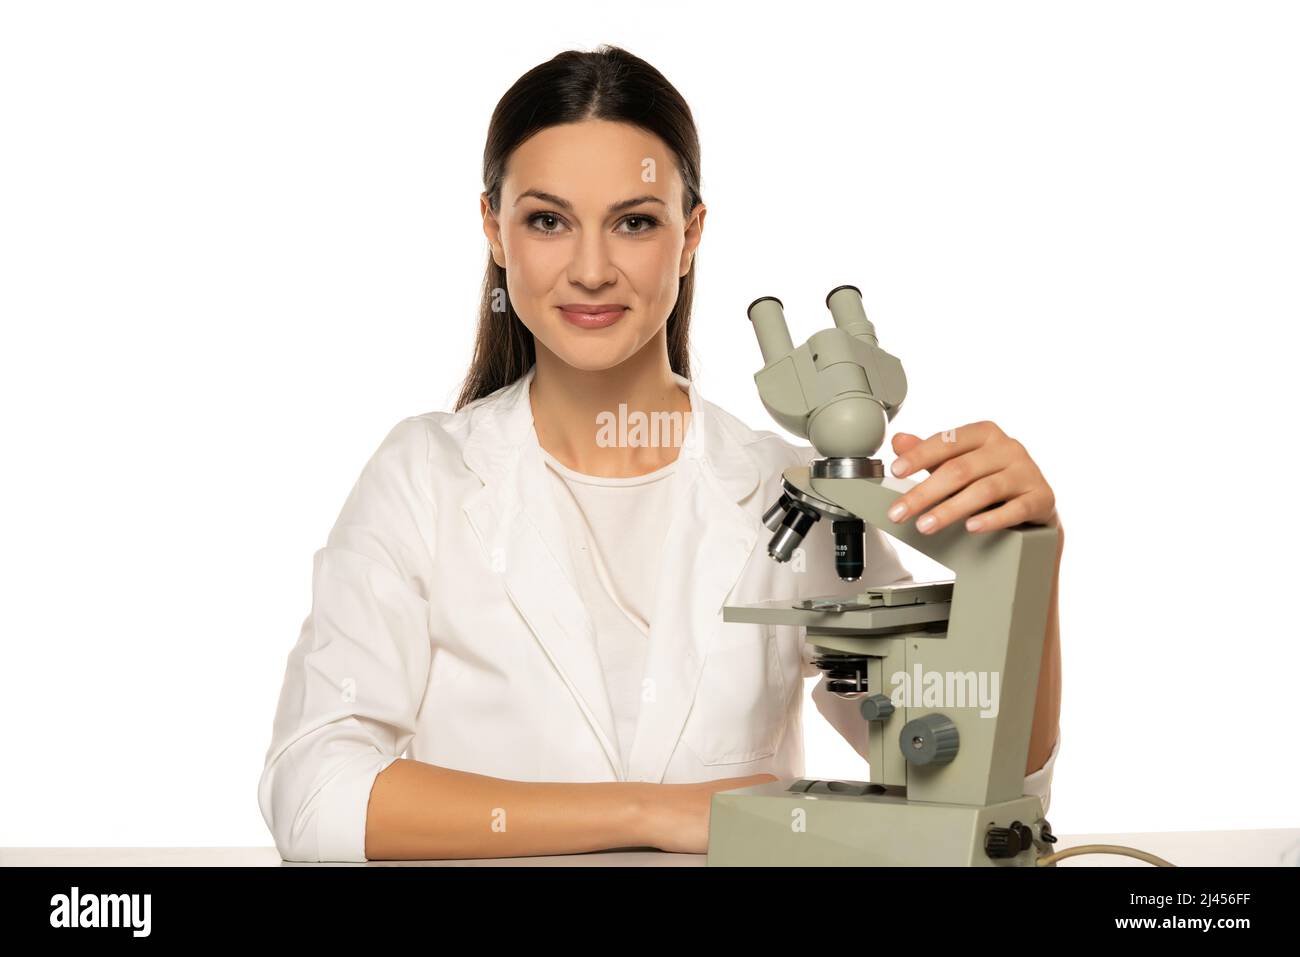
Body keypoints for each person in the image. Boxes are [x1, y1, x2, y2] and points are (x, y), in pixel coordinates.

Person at [256, 44, 1063, 863]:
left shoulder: (790, 495)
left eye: (635, 221)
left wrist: (1026, 565)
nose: (593, 269)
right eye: (548, 220)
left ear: (690, 235)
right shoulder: (422, 476)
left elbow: (984, 783)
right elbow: (314, 792)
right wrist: (650, 813)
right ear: (494, 231)